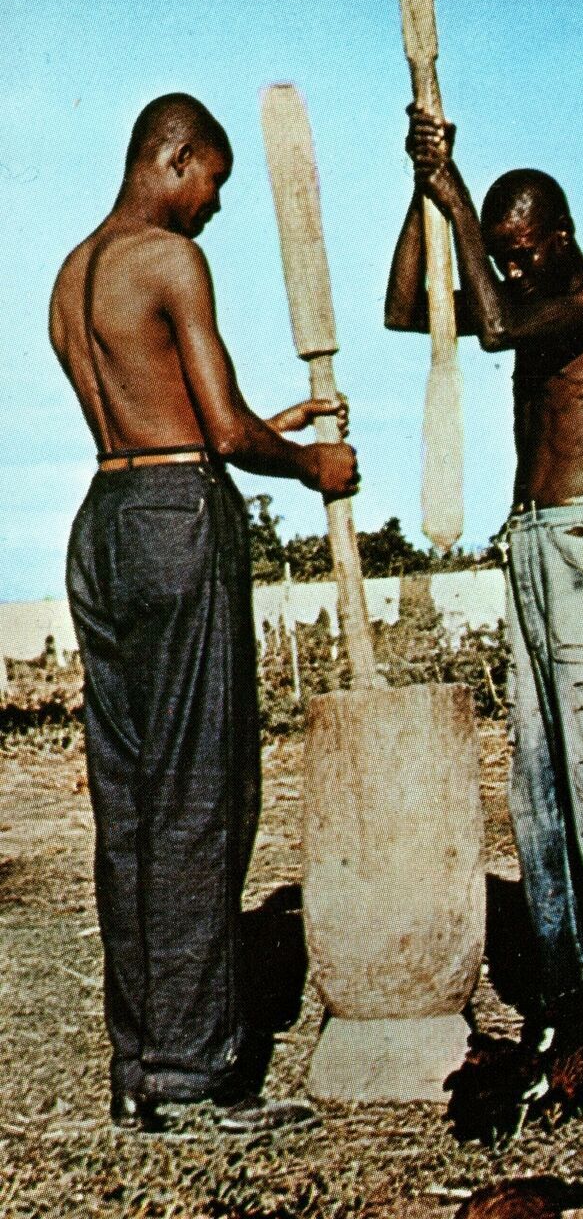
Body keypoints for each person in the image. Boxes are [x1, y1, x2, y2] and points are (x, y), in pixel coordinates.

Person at [49, 93, 359, 1130]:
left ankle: (140, 1065)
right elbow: (219, 437)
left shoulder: (70, 276)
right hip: (179, 523)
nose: (213, 206)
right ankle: (194, 1076)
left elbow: (160, 422)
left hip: (106, 520)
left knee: (130, 802)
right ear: (172, 156)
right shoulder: (171, 261)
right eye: (210, 182)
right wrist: (313, 462)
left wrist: (281, 419)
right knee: (198, 796)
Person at [385, 107, 583, 1036]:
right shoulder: (520, 299)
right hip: (525, 547)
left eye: (523, 251)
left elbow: (490, 328)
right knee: (545, 771)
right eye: (502, 255)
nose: (513, 269)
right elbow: (407, 310)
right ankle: (578, 981)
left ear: (559, 237)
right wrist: (425, 195)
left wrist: (457, 196)